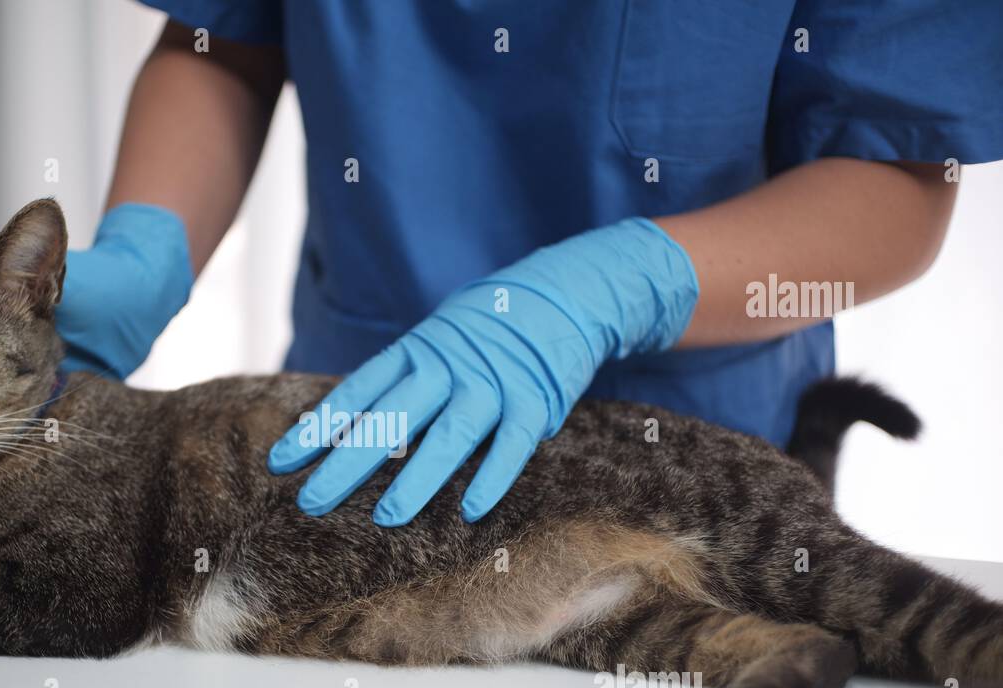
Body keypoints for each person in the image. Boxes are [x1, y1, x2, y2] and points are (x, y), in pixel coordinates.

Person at [55, 1, 1002, 526]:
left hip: (691, 445)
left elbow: (899, 172)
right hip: (366, 413)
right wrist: (150, 245)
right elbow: (222, 37)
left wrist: (629, 284)